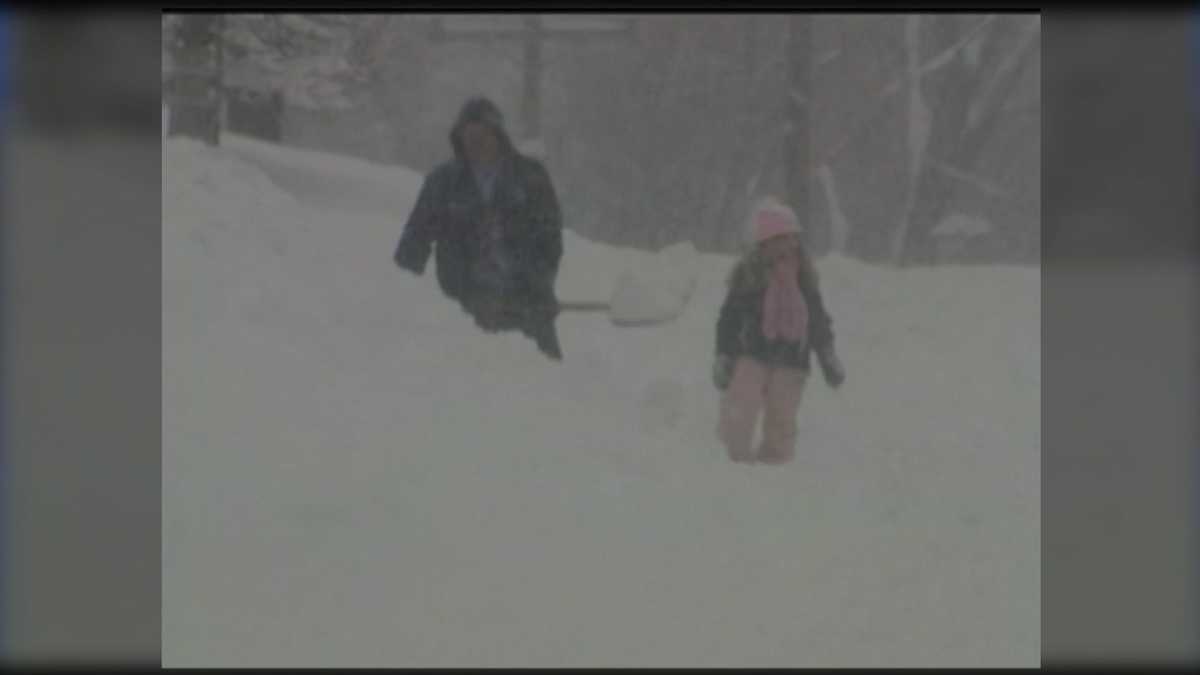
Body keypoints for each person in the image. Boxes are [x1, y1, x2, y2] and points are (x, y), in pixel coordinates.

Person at [394, 97, 564, 360]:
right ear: (459, 137)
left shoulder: (530, 178)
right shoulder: (443, 183)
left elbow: (550, 241)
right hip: (462, 313)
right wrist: (403, 301)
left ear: (499, 136)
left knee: (543, 390)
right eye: (468, 135)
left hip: (527, 308)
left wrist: (534, 289)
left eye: (483, 135)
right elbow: (414, 243)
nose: (475, 143)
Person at [712, 197, 845, 464]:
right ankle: (729, 461)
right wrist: (724, 354)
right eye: (782, 239)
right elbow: (728, 319)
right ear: (765, 244)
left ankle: (775, 469)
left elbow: (817, 320)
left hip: (791, 359)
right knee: (740, 406)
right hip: (751, 353)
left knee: (782, 418)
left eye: (793, 238)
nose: (790, 245)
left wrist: (827, 354)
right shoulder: (748, 276)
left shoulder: (804, 278)